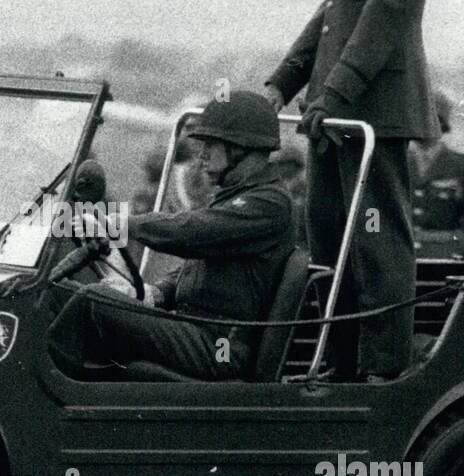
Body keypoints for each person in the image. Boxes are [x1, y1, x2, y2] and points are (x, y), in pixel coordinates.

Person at [264, 0, 438, 383]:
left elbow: (388, 13)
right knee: (331, 239)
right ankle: (336, 367)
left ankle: (383, 375)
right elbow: (333, 13)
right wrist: (281, 85)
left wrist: (332, 93)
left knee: (379, 243)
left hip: (374, 112)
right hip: (336, 115)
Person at [47, 90, 295, 381]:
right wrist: (154, 293)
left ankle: (42, 388)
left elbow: (192, 231)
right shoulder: (235, 196)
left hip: (221, 346)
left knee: (95, 300)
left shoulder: (268, 202)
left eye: (211, 145)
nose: (201, 156)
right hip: (196, 330)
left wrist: (120, 224)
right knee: (61, 289)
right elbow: (200, 267)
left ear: (241, 148)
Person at [410, 91, 464, 259]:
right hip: (398, 261)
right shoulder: (392, 165)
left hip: (444, 260)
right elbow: (372, 210)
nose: (422, 125)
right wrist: (371, 243)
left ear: (442, 124)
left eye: (431, 119)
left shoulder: (463, 168)